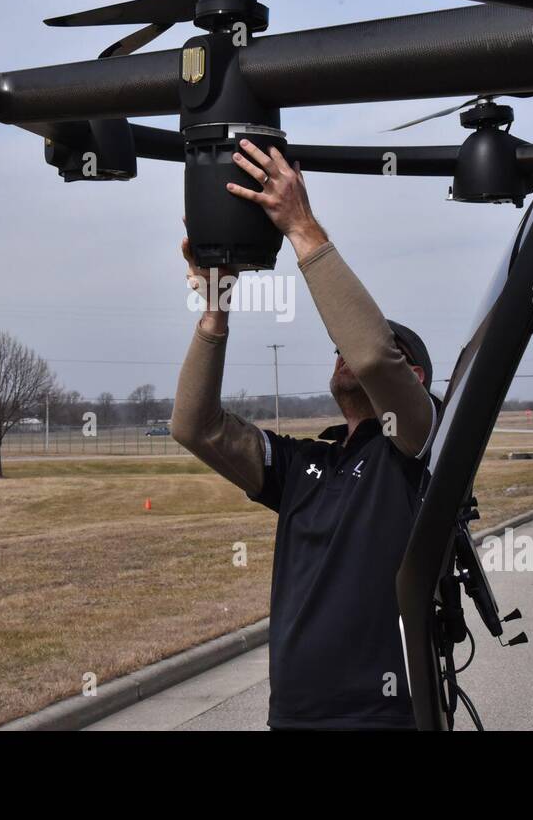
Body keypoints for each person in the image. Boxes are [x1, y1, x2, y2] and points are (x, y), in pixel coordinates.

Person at [171, 138, 438, 730]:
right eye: (334, 346)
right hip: (291, 719)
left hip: (382, 720)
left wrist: (301, 226)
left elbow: (372, 355)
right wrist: (216, 308)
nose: (344, 352)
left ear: (413, 378)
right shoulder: (304, 463)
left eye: (361, 347)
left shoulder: (414, 444)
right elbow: (195, 425)